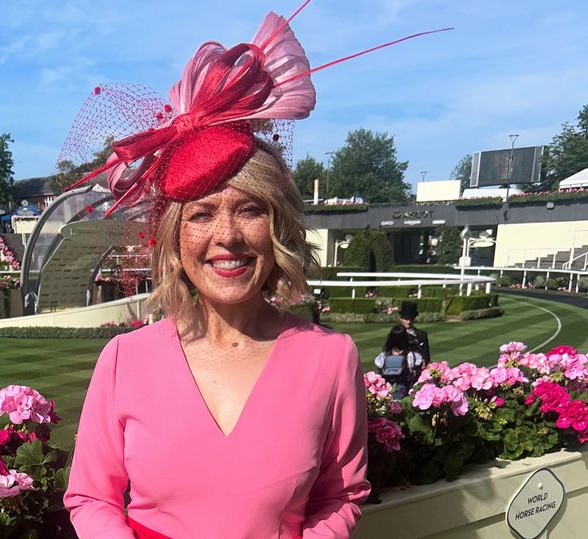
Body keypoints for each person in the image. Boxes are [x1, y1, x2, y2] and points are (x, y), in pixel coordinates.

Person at [60, 6, 379, 538]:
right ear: (173, 238)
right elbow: (91, 498)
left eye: (249, 209)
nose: (226, 236)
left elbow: (340, 496)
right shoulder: (124, 360)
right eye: (201, 214)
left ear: (278, 228)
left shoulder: (330, 358)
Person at [374, 324, 424, 396]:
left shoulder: (383, 356)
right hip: (405, 390)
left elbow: (380, 370)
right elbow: (415, 372)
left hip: (388, 391)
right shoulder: (411, 356)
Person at [398, 300, 430, 367]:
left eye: (411, 319)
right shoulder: (395, 334)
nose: (409, 322)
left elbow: (426, 356)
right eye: (406, 319)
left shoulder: (422, 335)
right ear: (400, 318)